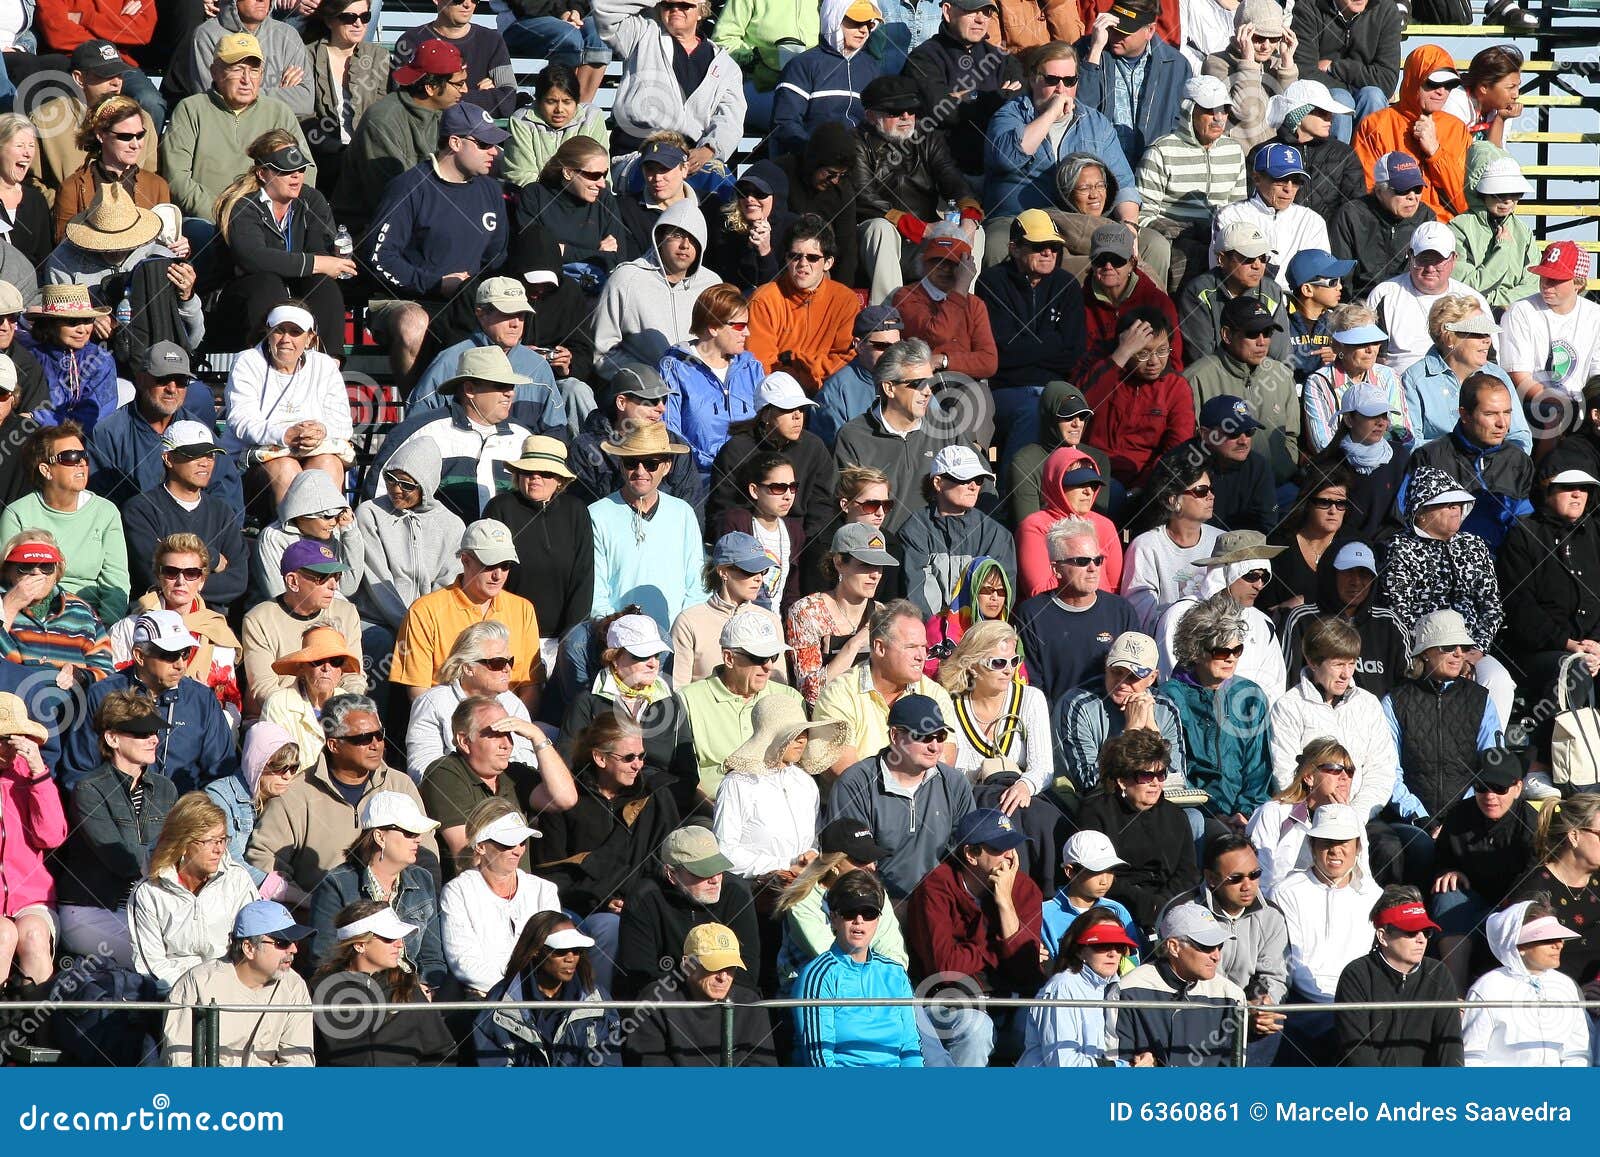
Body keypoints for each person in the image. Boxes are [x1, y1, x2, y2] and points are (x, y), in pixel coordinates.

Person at [246, 694, 438, 895]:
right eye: (363, 738)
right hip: (321, 921)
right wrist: (305, 905)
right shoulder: (295, 794)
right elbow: (263, 859)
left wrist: (417, 905)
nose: (376, 744)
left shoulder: (400, 785)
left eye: (379, 735)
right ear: (334, 745)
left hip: (396, 916)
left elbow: (426, 854)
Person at [365, 103, 512, 366]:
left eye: (495, 144)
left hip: (470, 303)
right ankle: (419, 405)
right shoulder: (409, 187)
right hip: (408, 299)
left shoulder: (491, 191)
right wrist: (435, 283)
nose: (494, 152)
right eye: (483, 144)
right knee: (414, 323)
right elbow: (378, 257)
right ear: (455, 143)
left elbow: (497, 258)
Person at [906, 807, 1043, 1066]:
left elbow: (1026, 971)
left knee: (1044, 1021)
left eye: (1013, 845)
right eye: (999, 847)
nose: (1010, 855)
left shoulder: (1024, 889)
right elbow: (946, 969)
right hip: (949, 1002)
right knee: (977, 1029)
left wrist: (1004, 902)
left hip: (1010, 1000)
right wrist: (997, 943)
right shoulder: (935, 887)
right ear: (970, 854)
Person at [1380, 466, 1511, 725]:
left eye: (1458, 504)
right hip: (1421, 652)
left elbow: (1492, 607)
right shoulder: (1398, 548)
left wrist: (1474, 649)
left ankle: (1491, 757)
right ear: (1421, 511)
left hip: (1473, 648)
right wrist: (1441, 653)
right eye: (1447, 504)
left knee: (1498, 680)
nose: (1455, 510)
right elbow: (1398, 610)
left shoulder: (1474, 546)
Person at [57, 690, 178, 966]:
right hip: (91, 909)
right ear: (112, 738)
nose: (154, 739)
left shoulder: (165, 789)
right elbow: (123, 860)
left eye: (155, 732)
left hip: (145, 908)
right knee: (160, 952)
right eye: (141, 733)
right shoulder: (89, 788)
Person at [61, 610, 238, 794]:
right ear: (139, 655)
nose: (180, 664)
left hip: (184, 817)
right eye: (170, 655)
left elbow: (221, 777)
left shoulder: (202, 699)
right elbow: (78, 774)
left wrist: (192, 817)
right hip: (115, 817)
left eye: (185, 653)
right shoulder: (101, 696)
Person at [850, 74, 984, 305]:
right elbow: (863, 197)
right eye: (895, 112)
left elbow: (953, 181)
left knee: (976, 231)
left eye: (911, 110)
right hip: (875, 238)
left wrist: (969, 218)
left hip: (923, 238)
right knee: (880, 228)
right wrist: (915, 227)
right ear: (871, 116)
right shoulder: (855, 142)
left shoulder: (928, 137)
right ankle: (887, 315)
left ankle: (961, 307)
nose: (906, 117)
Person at [161, 34, 316, 231]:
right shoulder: (191, 109)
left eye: (254, 70)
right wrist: (224, 215)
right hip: (208, 221)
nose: (246, 79)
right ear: (215, 72)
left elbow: (306, 170)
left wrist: (272, 214)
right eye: (237, 69)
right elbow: (177, 179)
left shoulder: (279, 112)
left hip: (268, 222)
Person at [826, 693, 973, 899]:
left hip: (940, 902)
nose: (935, 746)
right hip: (875, 904)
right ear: (895, 736)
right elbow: (849, 865)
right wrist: (887, 910)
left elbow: (966, 853)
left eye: (940, 736)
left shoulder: (955, 783)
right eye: (923, 736)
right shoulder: (855, 784)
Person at [210, 135, 350, 350]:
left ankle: (328, 364)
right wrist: (317, 263)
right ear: (262, 173)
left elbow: (319, 250)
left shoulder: (312, 200)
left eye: (301, 169)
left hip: (297, 292)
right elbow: (254, 258)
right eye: (284, 170)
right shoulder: (243, 205)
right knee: (267, 282)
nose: (296, 176)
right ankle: (265, 361)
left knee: (323, 284)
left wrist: (320, 263)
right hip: (244, 297)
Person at [387, 519, 542, 710]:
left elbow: (530, 686)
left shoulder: (523, 609)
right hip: (446, 722)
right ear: (465, 560)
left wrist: (514, 728)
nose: (498, 575)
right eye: (490, 565)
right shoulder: (424, 611)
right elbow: (418, 691)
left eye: (506, 565)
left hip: (508, 722)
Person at [1270, 802, 1382, 1064]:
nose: (1335, 849)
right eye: (1326, 841)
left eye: (1344, 841)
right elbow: (1293, 964)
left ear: (1357, 846)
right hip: (1304, 1006)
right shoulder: (1286, 892)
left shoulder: (1374, 896)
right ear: (1312, 845)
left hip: (1360, 1006)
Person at [832, 339, 976, 535]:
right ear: (889, 388)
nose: (927, 392)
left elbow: (981, 487)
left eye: (930, 382)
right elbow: (840, 507)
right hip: (879, 551)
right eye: (917, 384)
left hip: (938, 548)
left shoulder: (946, 427)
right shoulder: (853, 436)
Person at [304, 791, 446, 989]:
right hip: (359, 991)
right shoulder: (336, 884)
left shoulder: (423, 879)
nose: (418, 839)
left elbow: (433, 956)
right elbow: (324, 958)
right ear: (379, 836)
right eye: (409, 833)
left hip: (411, 990)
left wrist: (427, 986)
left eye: (418, 834)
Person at [973, 210, 1087, 456]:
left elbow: (1074, 353)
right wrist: (1052, 342)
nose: (1048, 253)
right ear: (1014, 248)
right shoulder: (992, 283)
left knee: (1078, 414)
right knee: (1033, 413)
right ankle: (1013, 490)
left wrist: (1023, 348)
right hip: (1005, 389)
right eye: (1039, 246)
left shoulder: (1067, 285)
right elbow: (999, 353)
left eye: (1054, 247)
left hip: (1057, 387)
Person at [983, 42, 1137, 223]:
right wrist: (1050, 114)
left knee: (1154, 245)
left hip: (1081, 224)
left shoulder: (1097, 123)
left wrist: (1129, 225)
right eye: (1052, 80)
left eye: (1069, 81)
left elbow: (1124, 185)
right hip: (1019, 222)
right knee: (997, 243)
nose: (1061, 89)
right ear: (1033, 79)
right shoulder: (1010, 115)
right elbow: (1008, 158)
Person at [221, 302, 352, 508]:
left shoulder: (324, 365)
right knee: (286, 467)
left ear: (309, 339)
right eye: (279, 331)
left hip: (313, 454)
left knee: (328, 463)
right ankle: (289, 534)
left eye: (295, 332)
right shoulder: (247, 361)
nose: (286, 339)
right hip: (251, 466)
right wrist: (286, 434)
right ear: (267, 331)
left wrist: (320, 431)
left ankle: (325, 535)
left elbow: (343, 425)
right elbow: (242, 422)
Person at [1269, 617, 1398, 826]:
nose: (1346, 674)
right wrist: (1320, 814)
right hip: (1307, 820)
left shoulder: (1368, 704)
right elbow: (1285, 774)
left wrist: (1355, 815)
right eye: (1338, 664)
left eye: (1351, 664)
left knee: (1393, 848)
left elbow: (1381, 770)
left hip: (1360, 818)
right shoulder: (1288, 706)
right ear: (1312, 662)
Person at [331, 37, 464, 239]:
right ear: (430, 87)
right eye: (459, 83)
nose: (466, 90)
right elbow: (394, 197)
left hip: (422, 219)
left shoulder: (445, 113)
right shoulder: (382, 120)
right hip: (371, 229)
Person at [1161, 594, 1275, 829]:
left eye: (1237, 650)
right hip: (1192, 814)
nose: (1231, 658)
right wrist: (1214, 815)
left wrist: (1245, 812)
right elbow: (1175, 772)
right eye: (1222, 652)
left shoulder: (1250, 696)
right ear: (1196, 650)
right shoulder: (1169, 697)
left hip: (1245, 815)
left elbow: (1259, 769)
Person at [127, 792, 260, 993]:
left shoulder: (238, 880)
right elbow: (151, 966)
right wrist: (194, 993)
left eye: (222, 840)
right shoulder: (148, 893)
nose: (219, 849)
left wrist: (229, 988)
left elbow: (253, 943)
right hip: (176, 996)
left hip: (231, 990)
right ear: (182, 845)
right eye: (210, 841)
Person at [1173, 834, 1289, 1063]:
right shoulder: (1181, 912)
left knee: (1272, 1021)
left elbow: (1275, 976)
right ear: (1211, 878)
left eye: (1255, 875)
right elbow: (1171, 977)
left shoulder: (1271, 915)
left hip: (1245, 1016)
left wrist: (1261, 1004)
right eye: (1235, 878)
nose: (1248, 885)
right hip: (1194, 1013)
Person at [1429, 748, 1538, 990]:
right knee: (1447, 894)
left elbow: (1535, 877)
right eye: (1481, 787)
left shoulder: (1531, 824)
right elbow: (1440, 859)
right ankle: (1454, 994)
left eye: (1499, 788)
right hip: (1469, 902)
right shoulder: (1459, 815)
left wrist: (1506, 907)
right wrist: (1448, 870)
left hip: (1511, 905)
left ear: (1518, 788)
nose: (1489, 795)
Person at [116, 422, 250, 618]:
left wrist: (177, 575)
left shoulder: (221, 511)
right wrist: (211, 558)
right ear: (168, 458)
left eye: (210, 455)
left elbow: (238, 581)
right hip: (157, 620)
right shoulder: (140, 510)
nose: (205, 462)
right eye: (194, 455)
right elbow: (153, 577)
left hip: (210, 623)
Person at [159, 899, 314, 1067]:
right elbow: (180, 1063)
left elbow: (299, 1062)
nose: (294, 949)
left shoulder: (294, 985)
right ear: (249, 948)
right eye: (282, 942)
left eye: (295, 942)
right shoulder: (195, 984)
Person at [0, 421, 128, 624]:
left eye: (83, 456)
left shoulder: (106, 512)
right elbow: (9, 578)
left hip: (90, 619)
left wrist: (106, 628)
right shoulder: (17, 513)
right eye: (70, 457)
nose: (82, 463)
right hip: (31, 616)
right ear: (46, 470)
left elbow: (116, 582)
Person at [793, 868, 924, 1067]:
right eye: (849, 912)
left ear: (878, 919)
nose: (859, 920)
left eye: (869, 912)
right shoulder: (818, 975)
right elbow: (819, 1060)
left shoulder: (895, 973)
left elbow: (910, 1048)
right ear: (834, 917)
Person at [1072, 728, 1201, 930]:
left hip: (1169, 906)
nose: (1156, 783)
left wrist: (1163, 903)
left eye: (1160, 774)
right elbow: (1096, 873)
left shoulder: (1175, 815)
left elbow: (1188, 874)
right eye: (1145, 776)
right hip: (1114, 906)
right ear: (1122, 780)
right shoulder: (1096, 813)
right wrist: (1145, 903)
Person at [612, 824, 761, 998]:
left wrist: (710, 989)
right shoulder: (644, 898)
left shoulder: (737, 893)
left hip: (727, 998)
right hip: (669, 1002)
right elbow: (641, 975)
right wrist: (697, 989)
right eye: (703, 872)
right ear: (671, 874)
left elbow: (748, 971)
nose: (715, 879)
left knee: (749, 998)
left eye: (718, 868)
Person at [813, 603, 959, 777]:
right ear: (880, 648)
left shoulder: (934, 694)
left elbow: (944, 761)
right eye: (911, 647)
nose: (921, 656)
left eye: (923, 647)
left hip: (922, 801)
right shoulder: (839, 695)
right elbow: (848, 775)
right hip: (861, 803)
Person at [588, 420, 709, 629]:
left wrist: (683, 631)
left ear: (667, 466)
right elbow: (595, 591)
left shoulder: (683, 513)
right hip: (618, 640)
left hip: (675, 637)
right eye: (632, 462)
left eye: (651, 463)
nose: (640, 471)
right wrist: (618, 632)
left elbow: (697, 585)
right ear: (620, 464)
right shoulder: (596, 515)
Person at [1384, 609, 1500, 825]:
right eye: (1448, 647)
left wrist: (1461, 816)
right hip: (1409, 822)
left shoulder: (1481, 699)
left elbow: (1492, 762)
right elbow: (1388, 771)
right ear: (1426, 652)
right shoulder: (1394, 701)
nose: (1458, 653)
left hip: (1469, 820)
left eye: (1463, 647)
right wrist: (1419, 818)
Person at [354, 442, 465, 667]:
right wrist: (409, 626)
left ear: (426, 484)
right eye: (390, 479)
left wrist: (427, 627)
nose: (395, 489)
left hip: (429, 623)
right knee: (381, 641)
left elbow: (448, 585)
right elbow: (377, 581)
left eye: (406, 484)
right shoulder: (369, 513)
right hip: (378, 619)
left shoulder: (452, 525)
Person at [482, 437, 593, 654]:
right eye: (528, 471)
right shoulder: (500, 508)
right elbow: (489, 575)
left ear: (560, 479)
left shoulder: (576, 511)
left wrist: (570, 638)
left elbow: (584, 576)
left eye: (545, 473)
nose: (536, 477)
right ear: (517, 474)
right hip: (508, 636)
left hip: (562, 639)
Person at [310, 900, 455, 1067]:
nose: (400, 944)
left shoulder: (407, 986)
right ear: (359, 945)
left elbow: (442, 1050)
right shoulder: (318, 988)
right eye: (388, 938)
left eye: (399, 937)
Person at [596, 0, 745, 161]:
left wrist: (709, 149)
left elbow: (730, 119)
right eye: (668, 5)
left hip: (689, 156)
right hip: (635, 152)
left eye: (685, 5)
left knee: (721, 181)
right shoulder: (640, 33)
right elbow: (602, 6)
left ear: (701, 11)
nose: (675, 9)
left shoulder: (726, 66)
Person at [676, 613, 804, 800]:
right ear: (729, 658)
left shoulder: (790, 698)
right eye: (758, 658)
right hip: (712, 811)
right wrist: (720, 814)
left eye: (773, 656)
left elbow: (802, 768)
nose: (768, 666)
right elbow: (684, 780)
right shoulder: (687, 700)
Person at [592, 199, 721, 384]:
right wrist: (649, 378)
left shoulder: (712, 284)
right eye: (677, 235)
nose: (685, 244)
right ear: (660, 237)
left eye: (693, 238)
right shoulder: (626, 279)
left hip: (701, 390)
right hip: (644, 396)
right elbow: (603, 353)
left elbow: (722, 344)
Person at [470, 909, 621, 1067]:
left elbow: (609, 1066)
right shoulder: (498, 1003)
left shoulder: (599, 999)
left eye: (577, 950)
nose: (570, 958)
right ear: (535, 950)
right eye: (561, 951)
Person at [1333, 884, 1463, 1066]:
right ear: (1382, 936)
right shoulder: (1356, 975)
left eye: (1426, 931)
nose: (1421, 939)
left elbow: (1450, 1050)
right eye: (1411, 931)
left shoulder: (1439, 973)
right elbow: (1357, 1052)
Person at [110, 537, 242, 717]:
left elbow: (231, 710)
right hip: (136, 726)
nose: (181, 581)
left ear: (201, 580)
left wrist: (206, 700)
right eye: (171, 572)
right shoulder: (128, 628)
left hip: (199, 728)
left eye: (191, 573)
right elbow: (111, 691)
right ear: (158, 576)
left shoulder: (218, 635)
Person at [1014, 517, 1140, 704]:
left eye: (1098, 560)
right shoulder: (1031, 614)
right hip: (1055, 725)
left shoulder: (1121, 610)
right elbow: (1032, 687)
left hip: (1113, 723)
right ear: (1056, 569)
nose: (1093, 568)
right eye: (1082, 561)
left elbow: (1138, 675)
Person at [439, 803, 561, 997]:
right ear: (480, 846)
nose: (518, 850)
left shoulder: (543, 890)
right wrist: (516, 989)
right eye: (507, 843)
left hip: (539, 994)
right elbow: (463, 962)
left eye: (522, 842)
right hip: (485, 998)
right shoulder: (458, 891)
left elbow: (553, 951)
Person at [1134, 76, 1244, 291]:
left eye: (1224, 110)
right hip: (1172, 240)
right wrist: (1179, 235)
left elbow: (1236, 211)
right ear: (1188, 111)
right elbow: (1142, 214)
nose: (1219, 118)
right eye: (1210, 110)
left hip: (1219, 240)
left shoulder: (1234, 150)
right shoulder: (1160, 151)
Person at [1104, 902, 1245, 1066]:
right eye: (1206, 946)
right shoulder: (1126, 990)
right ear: (1173, 947)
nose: (1216, 956)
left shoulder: (1232, 995)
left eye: (1219, 946)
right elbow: (1117, 1068)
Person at [1409, 372, 1533, 552]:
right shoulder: (1429, 458)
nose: (1502, 423)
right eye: (1490, 414)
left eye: (1507, 412)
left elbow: (1525, 528)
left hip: (1505, 567)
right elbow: (1408, 522)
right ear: (1465, 415)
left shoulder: (1519, 461)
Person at [623, 921, 778, 1066]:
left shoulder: (749, 1003)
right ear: (687, 964)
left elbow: (763, 1066)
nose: (723, 977)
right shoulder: (656, 999)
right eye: (713, 967)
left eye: (730, 967)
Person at [1053, 632, 1186, 799]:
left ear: (1152, 678)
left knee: (1194, 817)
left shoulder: (1165, 708)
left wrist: (1154, 735)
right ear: (1106, 667)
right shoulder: (1078, 705)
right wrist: (1131, 733)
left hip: (1155, 804)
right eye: (1116, 672)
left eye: (1133, 676)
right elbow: (1088, 783)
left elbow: (1176, 780)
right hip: (1099, 805)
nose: (1122, 683)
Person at [239, 540, 365, 715]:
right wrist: (305, 719)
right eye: (323, 578)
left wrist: (346, 712)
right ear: (293, 581)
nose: (333, 585)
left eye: (336, 576)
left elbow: (353, 676)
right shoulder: (258, 619)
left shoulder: (346, 612)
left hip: (336, 712)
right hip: (282, 714)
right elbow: (264, 687)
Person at [936, 622, 1053, 812]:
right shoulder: (949, 704)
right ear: (972, 665)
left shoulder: (1031, 698)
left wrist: (1024, 786)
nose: (1009, 670)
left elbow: (1043, 767)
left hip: (1021, 806)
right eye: (998, 663)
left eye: (1014, 661)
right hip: (969, 807)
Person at [1186, 296, 1301, 488]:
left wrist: (1281, 472)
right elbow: (1190, 445)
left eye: (1268, 332)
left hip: (1277, 487)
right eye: (1253, 333)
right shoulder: (1196, 378)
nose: (1262, 341)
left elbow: (1290, 435)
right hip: (1217, 492)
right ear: (1227, 335)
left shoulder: (1282, 374)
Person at [1081, 307, 1195, 493]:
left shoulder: (1176, 387)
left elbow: (1176, 448)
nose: (1154, 361)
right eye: (1142, 353)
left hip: (1144, 483)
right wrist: (1121, 354)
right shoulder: (1106, 371)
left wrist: (1143, 485)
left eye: (1162, 351)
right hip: (1091, 472)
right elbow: (1081, 409)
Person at [1463, 901, 1590, 1067]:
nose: (1559, 944)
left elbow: (1578, 1052)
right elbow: (1471, 1056)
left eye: (1560, 938)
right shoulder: (1488, 987)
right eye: (1548, 939)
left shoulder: (1565, 985)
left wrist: (1567, 1088)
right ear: (1518, 945)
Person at [1354, 45, 1470, 224]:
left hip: (1446, 230)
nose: (1441, 91)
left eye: (1449, 85)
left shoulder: (1457, 129)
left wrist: (1435, 152)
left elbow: (1466, 203)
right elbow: (1367, 192)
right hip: (1393, 226)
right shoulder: (1375, 124)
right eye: (1433, 83)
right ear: (1414, 80)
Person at [35, 55, 160, 222]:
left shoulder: (141, 119)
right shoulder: (45, 119)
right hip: (73, 226)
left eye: (120, 75)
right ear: (79, 78)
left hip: (133, 225)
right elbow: (29, 181)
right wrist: (66, 204)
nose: (117, 82)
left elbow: (151, 179)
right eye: (106, 75)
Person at [745, 216, 859, 395]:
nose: (803, 264)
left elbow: (846, 359)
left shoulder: (846, 300)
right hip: (777, 396)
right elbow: (760, 365)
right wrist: (804, 374)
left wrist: (796, 361)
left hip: (829, 393)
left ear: (828, 263)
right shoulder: (763, 299)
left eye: (813, 258)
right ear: (786, 259)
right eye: (795, 256)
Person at [1075, 0, 1193, 174]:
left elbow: (1183, 126)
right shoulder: (1086, 50)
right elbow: (1079, 110)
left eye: (1124, 32)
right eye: (1113, 28)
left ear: (1150, 30)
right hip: (1099, 171)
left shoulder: (1177, 65)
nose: (1114, 36)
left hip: (1154, 174)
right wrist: (1094, 52)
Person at [660, 283, 762, 480]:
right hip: (698, 480)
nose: (747, 333)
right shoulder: (675, 368)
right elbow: (670, 435)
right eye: (740, 326)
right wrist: (719, 464)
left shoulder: (752, 367)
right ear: (714, 327)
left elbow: (765, 427)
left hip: (750, 477)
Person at [897, 447, 1015, 618]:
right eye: (964, 479)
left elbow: (998, 602)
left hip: (981, 639)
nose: (973, 486)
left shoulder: (997, 535)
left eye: (979, 479)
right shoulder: (914, 530)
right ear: (938, 483)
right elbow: (916, 596)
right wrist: (941, 635)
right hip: (930, 639)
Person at [786, 522, 896, 705]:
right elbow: (812, 693)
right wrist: (856, 643)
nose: (875, 574)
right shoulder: (807, 612)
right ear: (839, 563)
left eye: (880, 566)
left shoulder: (883, 613)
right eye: (866, 565)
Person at [0, 693, 65, 997]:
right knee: (2, 934)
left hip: (30, 899)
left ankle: (39, 1035)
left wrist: (38, 773)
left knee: (35, 934)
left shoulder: (30, 777)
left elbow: (51, 836)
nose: (7, 748)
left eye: (13, 739)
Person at [1368, 223, 1491, 379]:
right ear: (1410, 255)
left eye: (1438, 260)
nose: (1430, 268)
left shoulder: (1473, 299)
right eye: (1423, 259)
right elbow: (1373, 359)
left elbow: (1490, 358)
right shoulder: (1384, 294)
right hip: (1399, 389)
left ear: (1454, 259)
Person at [1019, 905, 1137, 1067]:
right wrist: (1123, 1067)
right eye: (1102, 945)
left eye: (1120, 946)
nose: (1113, 953)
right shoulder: (1062, 987)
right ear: (1079, 951)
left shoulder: (1117, 987)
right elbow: (1062, 1063)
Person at [1248, 736, 1365, 893]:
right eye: (1335, 769)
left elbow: (1362, 882)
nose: (1345, 777)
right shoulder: (1273, 813)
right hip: (1280, 906)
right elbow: (1260, 879)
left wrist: (1342, 820)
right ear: (1309, 777)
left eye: (1350, 771)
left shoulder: (1353, 821)